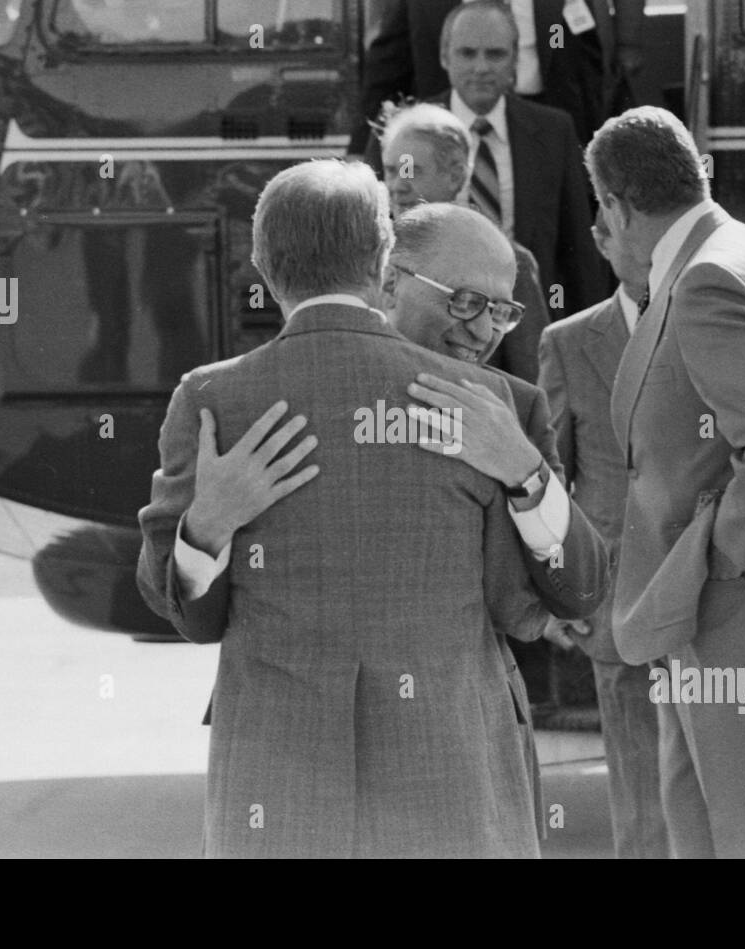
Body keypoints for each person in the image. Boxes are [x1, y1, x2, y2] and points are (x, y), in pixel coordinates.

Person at [135, 159, 550, 858]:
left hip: (278, 793)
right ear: (383, 260)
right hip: (449, 782)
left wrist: (207, 527)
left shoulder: (210, 400)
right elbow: (522, 606)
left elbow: (185, 610)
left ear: (262, 265)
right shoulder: (484, 403)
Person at [590, 107, 745, 858]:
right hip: (709, 601)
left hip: (738, 596)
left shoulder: (704, 278)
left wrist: (718, 560)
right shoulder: (737, 249)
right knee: (699, 820)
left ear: (619, 205)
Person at [537, 206, 668, 859]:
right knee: (641, 795)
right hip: (618, 601)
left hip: (717, 594)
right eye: (631, 232)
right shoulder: (568, 341)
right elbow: (550, 477)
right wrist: (556, 591)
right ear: (601, 241)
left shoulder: (721, 324)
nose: (647, 249)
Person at [364, 0, 606, 320]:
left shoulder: (553, 132)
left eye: (495, 54)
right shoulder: (401, 132)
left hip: (526, 328)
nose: (481, 67)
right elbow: (369, 246)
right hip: (427, 326)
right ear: (443, 57)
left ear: (515, 60)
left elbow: (579, 254)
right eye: (467, 53)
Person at [378, 101, 548, 381]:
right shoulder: (365, 258)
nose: (397, 185)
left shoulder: (509, 261)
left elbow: (531, 376)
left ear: (455, 176)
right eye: (391, 170)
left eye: (411, 170)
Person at [352, 0, 647, 153]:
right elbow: (389, 62)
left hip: (542, 123)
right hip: (449, 130)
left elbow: (570, 47)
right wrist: (361, 146)